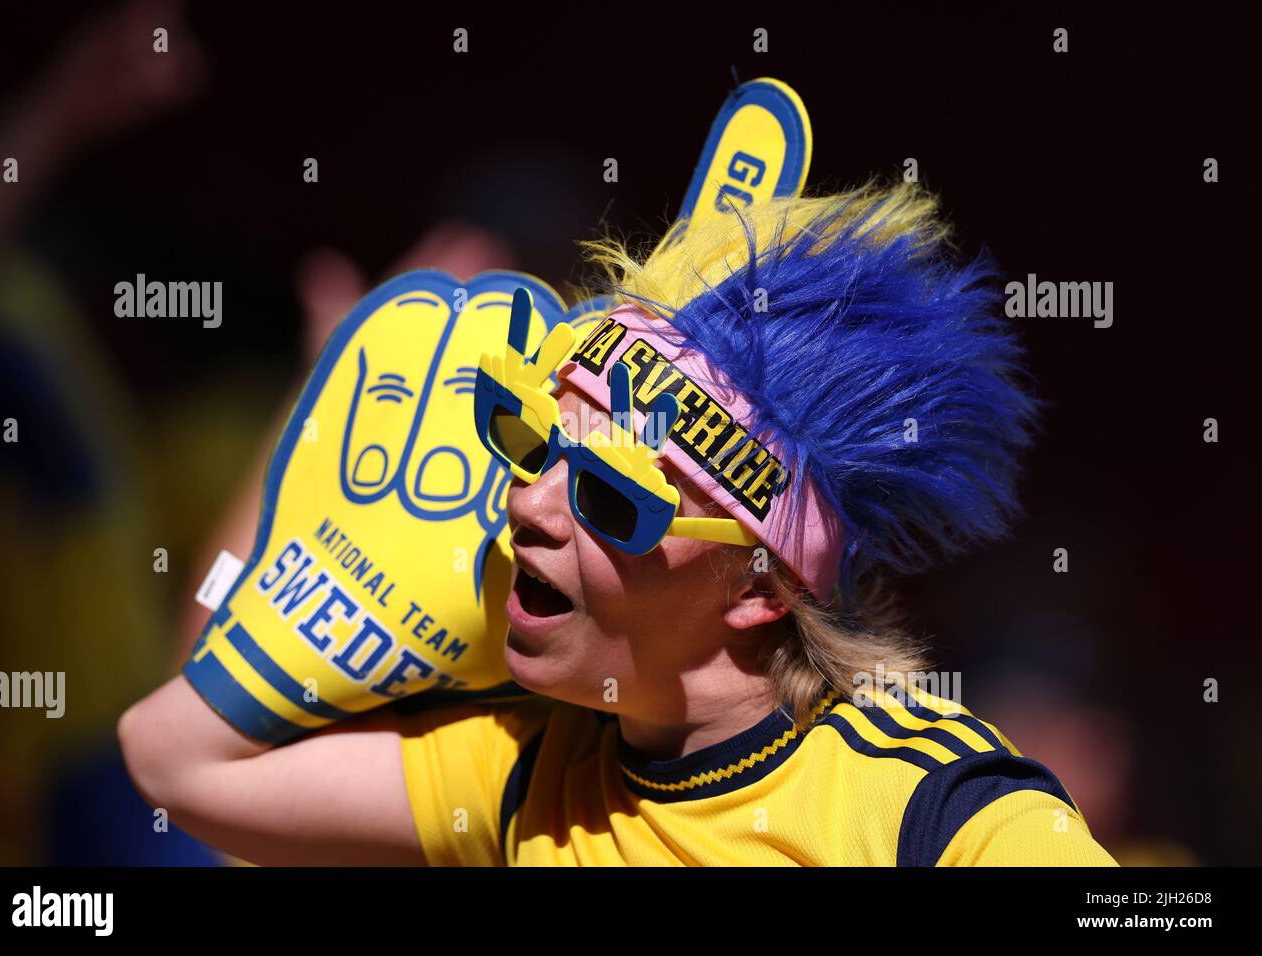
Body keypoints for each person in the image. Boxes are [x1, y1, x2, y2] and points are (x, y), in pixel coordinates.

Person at [119, 181, 1118, 866]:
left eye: (608, 497)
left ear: (760, 586)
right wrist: (338, 575)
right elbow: (171, 761)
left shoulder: (932, 811)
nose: (526, 504)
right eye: (533, 448)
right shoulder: (527, 777)